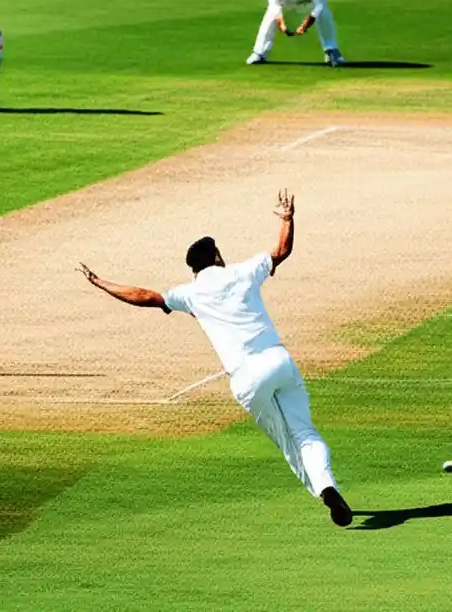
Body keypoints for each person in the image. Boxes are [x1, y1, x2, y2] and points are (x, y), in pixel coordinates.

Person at [79, 190, 352, 526]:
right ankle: (327, 485)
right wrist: (286, 219)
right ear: (218, 256)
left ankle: (325, 492)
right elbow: (283, 250)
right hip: (278, 361)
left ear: (194, 269)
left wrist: (102, 283)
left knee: (287, 441)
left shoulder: (189, 293)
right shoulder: (243, 271)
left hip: (247, 379)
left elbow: (145, 296)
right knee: (305, 433)